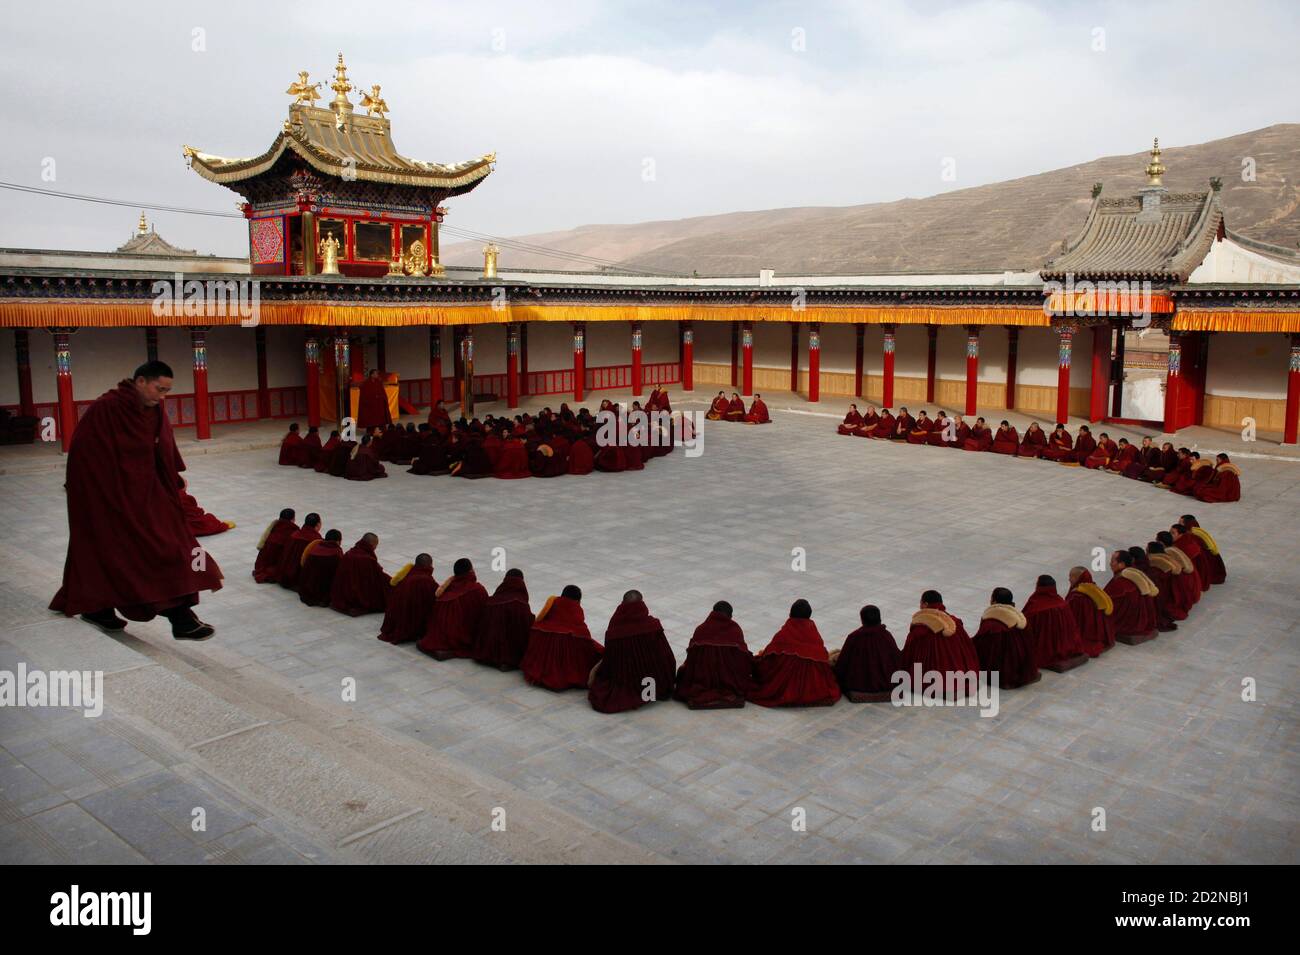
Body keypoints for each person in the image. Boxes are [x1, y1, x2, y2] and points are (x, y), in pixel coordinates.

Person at [49, 360, 223, 640]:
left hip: (149, 495)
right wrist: (99, 499)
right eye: (159, 389)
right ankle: (178, 618)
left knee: (173, 546)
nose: (162, 396)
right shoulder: (107, 408)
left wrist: (172, 482)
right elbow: (83, 455)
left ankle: (103, 608)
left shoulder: (153, 410)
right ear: (140, 381)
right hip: (109, 500)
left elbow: (163, 449)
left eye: (167, 391)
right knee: (127, 553)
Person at [588, 590, 677, 713]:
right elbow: (665, 654)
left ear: (622, 604)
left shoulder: (614, 627)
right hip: (650, 678)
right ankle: (648, 692)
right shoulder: (653, 625)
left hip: (624, 675)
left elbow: (610, 657)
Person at [749, 599, 841, 707]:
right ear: (809, 616)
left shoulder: (783, 635)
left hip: (781, 688)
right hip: (812, 690)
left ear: (790, 614)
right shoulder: (814, 636)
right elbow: (823, 660)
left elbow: (768, 661)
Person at [673, 601, 755, 709]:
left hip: (702, 679)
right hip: (729, 682)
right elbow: (742, 658)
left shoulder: (701, 629)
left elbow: (692, 657)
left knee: (683, 673)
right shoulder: (735, 630)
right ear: (730, 615)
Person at [521, 585, 604, 691]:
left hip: (540, 661)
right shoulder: (576, 609)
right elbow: (584, 636)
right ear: (578, 601)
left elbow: (539, 623)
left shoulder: (554, 603)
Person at [900, 590, 979, 696]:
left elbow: (908, 654)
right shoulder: (955, 623)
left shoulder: (920, 629)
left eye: (921, 603)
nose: (920, 606)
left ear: (926, 604)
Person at [417, 557, 490, 660]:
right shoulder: (477, 590)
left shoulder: (447, 588)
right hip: (457, 636)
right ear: (470, 571)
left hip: (436, 633)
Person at [971, 588, 1039, 689]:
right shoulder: (1021, 620)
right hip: (1023, 668)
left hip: (1002, 673)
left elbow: (982, 647)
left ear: (994, 601)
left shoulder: (992, 625)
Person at [832, 605, 903, 701]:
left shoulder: (854, 637)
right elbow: (896, 659)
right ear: (879, 618)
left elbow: (843, 662)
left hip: (858, 685)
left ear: (862, 620)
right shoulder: (886, 636)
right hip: (886, 683)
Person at [470, 569, 535, 670]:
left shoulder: (491, 601)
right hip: (508, 652)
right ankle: (506, 661)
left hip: (486, 650)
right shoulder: (520, 604)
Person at [1022, 575, 1089, 670]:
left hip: (1045, 649)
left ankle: (994, 683)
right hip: (1066, 645)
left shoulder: (1036, 605)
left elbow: (1025, 625)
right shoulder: (1063, 603)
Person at [378, 554, 439, 644]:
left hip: (396, 615)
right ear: (427, 565)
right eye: (431, 565)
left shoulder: (407, 573)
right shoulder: (425, 580)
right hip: (408, 617)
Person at [329, 533, 390, 616]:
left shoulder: (349, 553)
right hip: (355, 595)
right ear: (372, 544)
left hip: (342, 593)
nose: (375, 548)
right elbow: (378, 577)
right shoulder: (368, 559)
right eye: (376, 545)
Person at [1104, 551, 1157, 643]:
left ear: (1122, 564)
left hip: (1129, 623)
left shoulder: (1121, 583)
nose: (1110, 564)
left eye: (1112, 561)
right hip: (1142, 621)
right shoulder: (1134, 573)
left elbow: (1107, 602)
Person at [1066, 567, 1114, 656]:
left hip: (1085, 633)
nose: (1069, 579)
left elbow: (1070, 617)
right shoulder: (1094, 589)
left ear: (1078, 578)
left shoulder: (1077, 597)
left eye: (1071, 576)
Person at [277, 513, 322, 592]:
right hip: (299, 577)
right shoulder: (315, 540)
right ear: (318, 524)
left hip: (285, 574)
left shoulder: (295, 534)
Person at [297, 530, 344, 607]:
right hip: (324, 591)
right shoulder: (336, 552)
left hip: (308, 587)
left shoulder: (315, 548)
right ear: (338, 541)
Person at [253, 508, 299, 584]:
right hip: (276, 563)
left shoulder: (275, 525)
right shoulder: (293, 530)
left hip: (261, 563)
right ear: (292, 519)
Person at [1181, 515, 1227, 584]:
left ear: (1187, 525)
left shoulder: (1193, 537)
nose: (1178, 524)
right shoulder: (1198, 532)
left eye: (1180, 523)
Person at [1170, 523, 1213, 592]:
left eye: (1172, 533)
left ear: (1181, 535)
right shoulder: (1187, 539)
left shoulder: (1182, 546)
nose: (1169, 535)